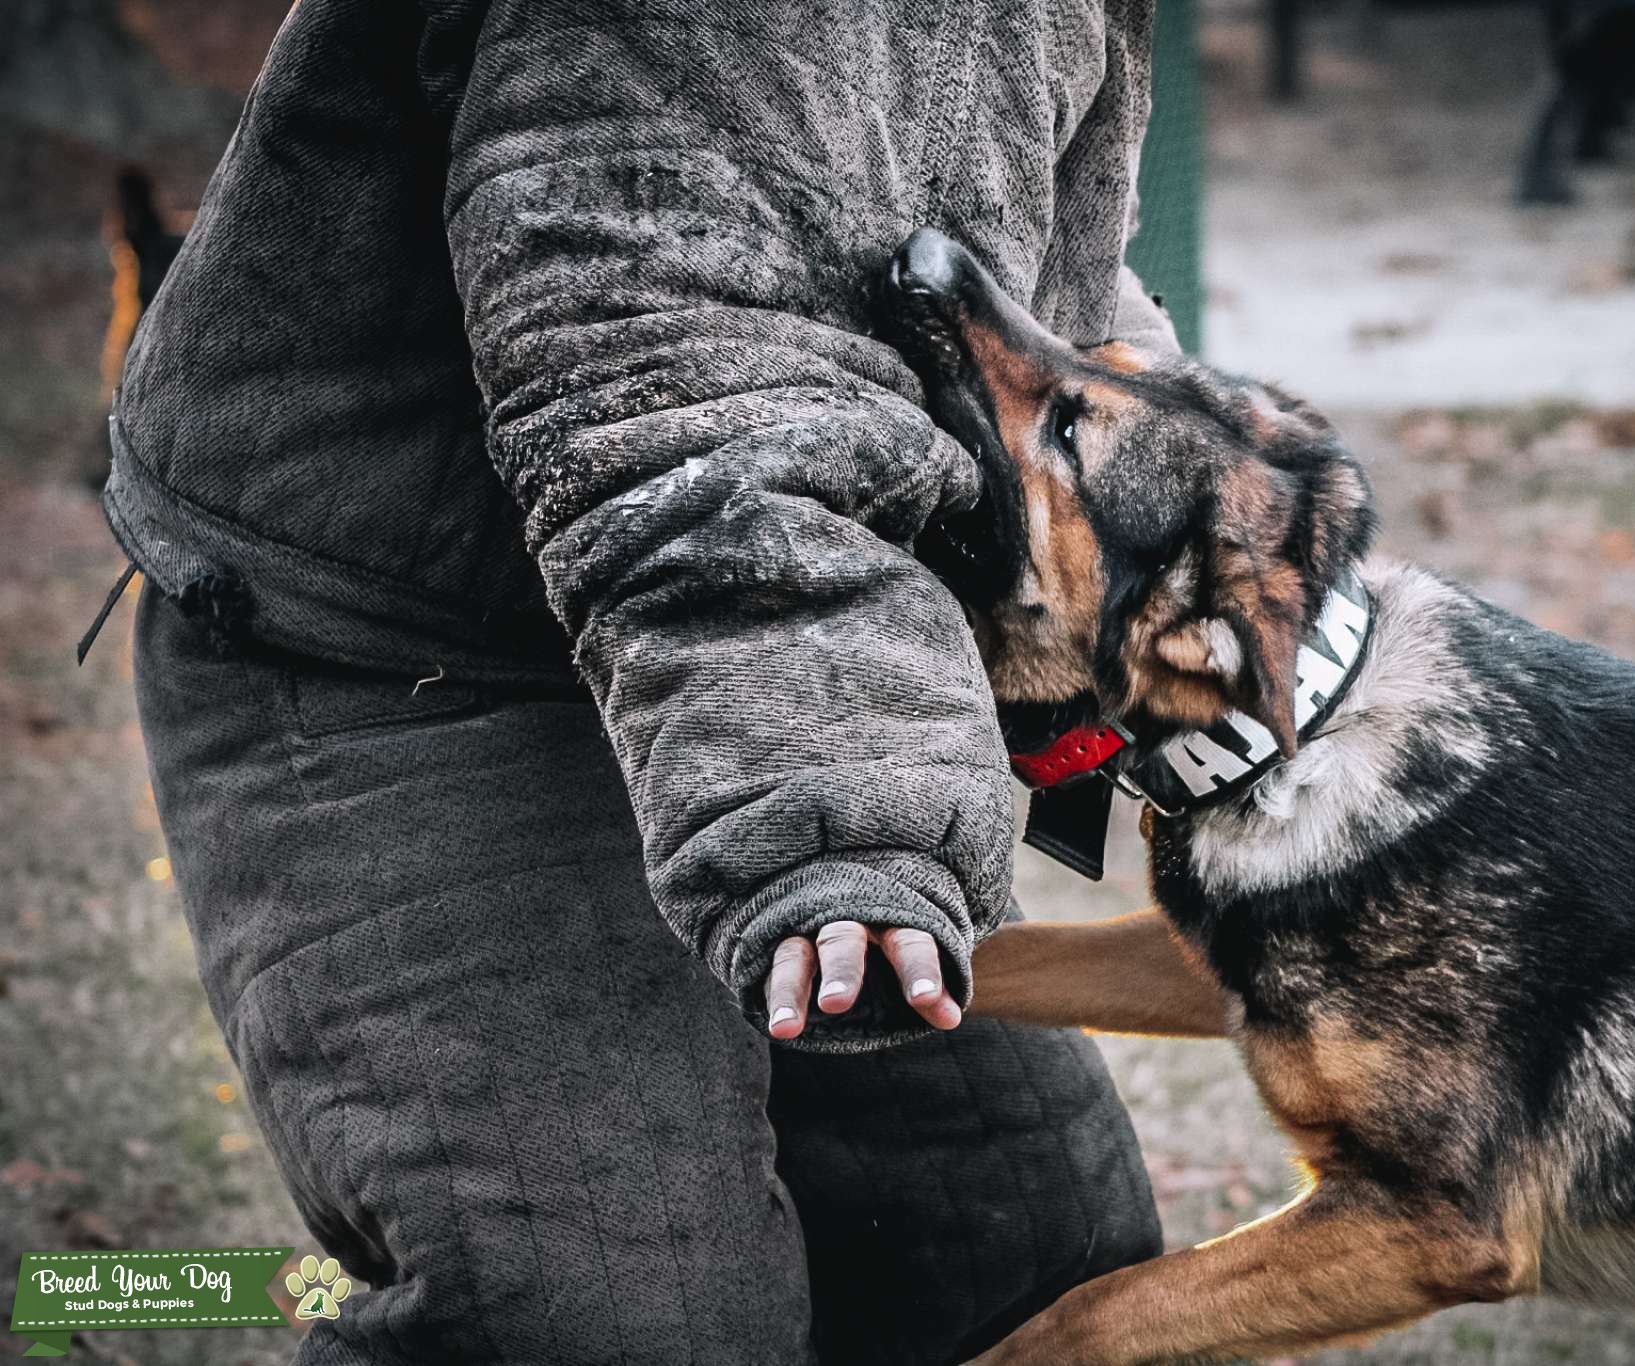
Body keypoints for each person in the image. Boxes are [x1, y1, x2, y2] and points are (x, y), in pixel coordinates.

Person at [100, 1, 1177, 1361]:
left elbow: (1034, 260)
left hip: (749, 651)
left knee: (1028, 1254)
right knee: (607, 1312)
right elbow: (663, 377)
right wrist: (840, 811)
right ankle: (90, 1289)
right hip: (412, 643)